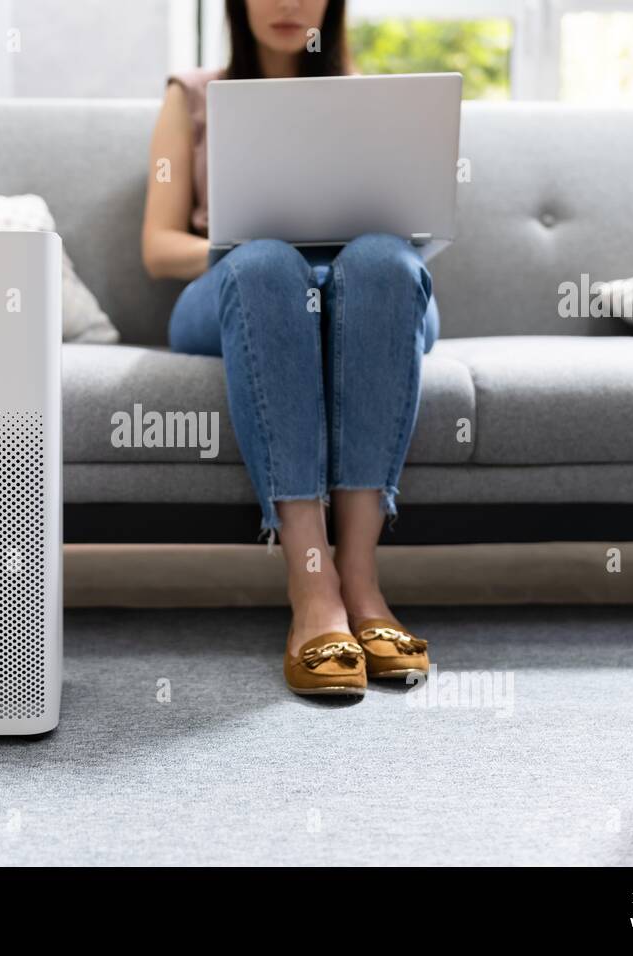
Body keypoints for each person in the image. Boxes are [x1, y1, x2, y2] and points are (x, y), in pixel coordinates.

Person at [141, 0, 438, 697]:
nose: (285, 4)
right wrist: (248, 241)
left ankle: (361, 583)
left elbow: (410, 229)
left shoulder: (373, 103)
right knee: (269, 264)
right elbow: (158, 249)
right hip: (239, 287)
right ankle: (314, 587)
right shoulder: (191, 96)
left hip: (362, 294)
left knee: (383, 264)